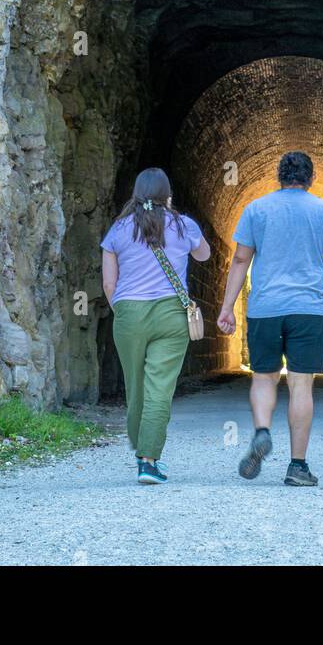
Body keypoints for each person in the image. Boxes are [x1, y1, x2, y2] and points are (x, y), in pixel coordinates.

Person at [217, 151, 323, 486]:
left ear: (279, 177)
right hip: (308, 310)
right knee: (300, 384)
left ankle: (263, 431)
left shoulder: (255, 209)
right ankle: (297, 466)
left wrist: (226, 307)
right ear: (311, 179)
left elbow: (239, 261)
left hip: (265, 308)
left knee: (264, 378)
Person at [101, 168, 210, 484]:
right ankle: (147, 460)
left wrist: (122, 310)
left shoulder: (118, 230)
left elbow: (110, 283)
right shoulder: (183, 224)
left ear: (135, 194)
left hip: (128, 313)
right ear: (168, 195)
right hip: (171, 315)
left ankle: (140, 446)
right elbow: (204, 255)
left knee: (135, 386)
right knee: (159, 388)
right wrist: (177, 218)